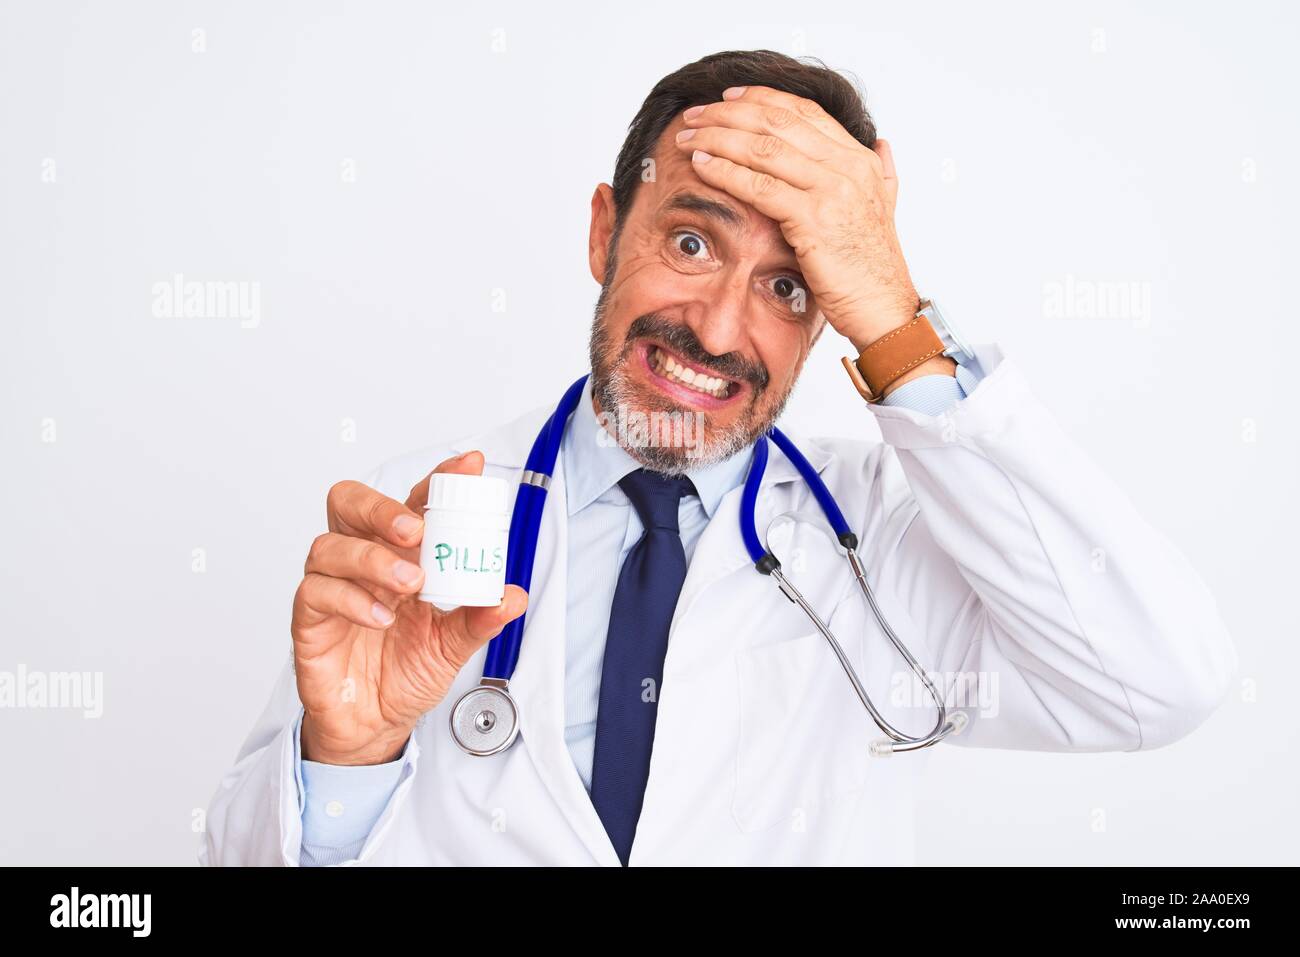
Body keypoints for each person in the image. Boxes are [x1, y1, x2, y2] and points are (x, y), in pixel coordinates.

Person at [200, 50, 1236, 867]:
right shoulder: (432, 507)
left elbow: (1156, 684)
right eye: (691, 243)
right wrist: (345, 754)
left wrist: (890, 310)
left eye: (793, 287)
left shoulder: (887, 535)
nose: (720, 328)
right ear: (606, 232)